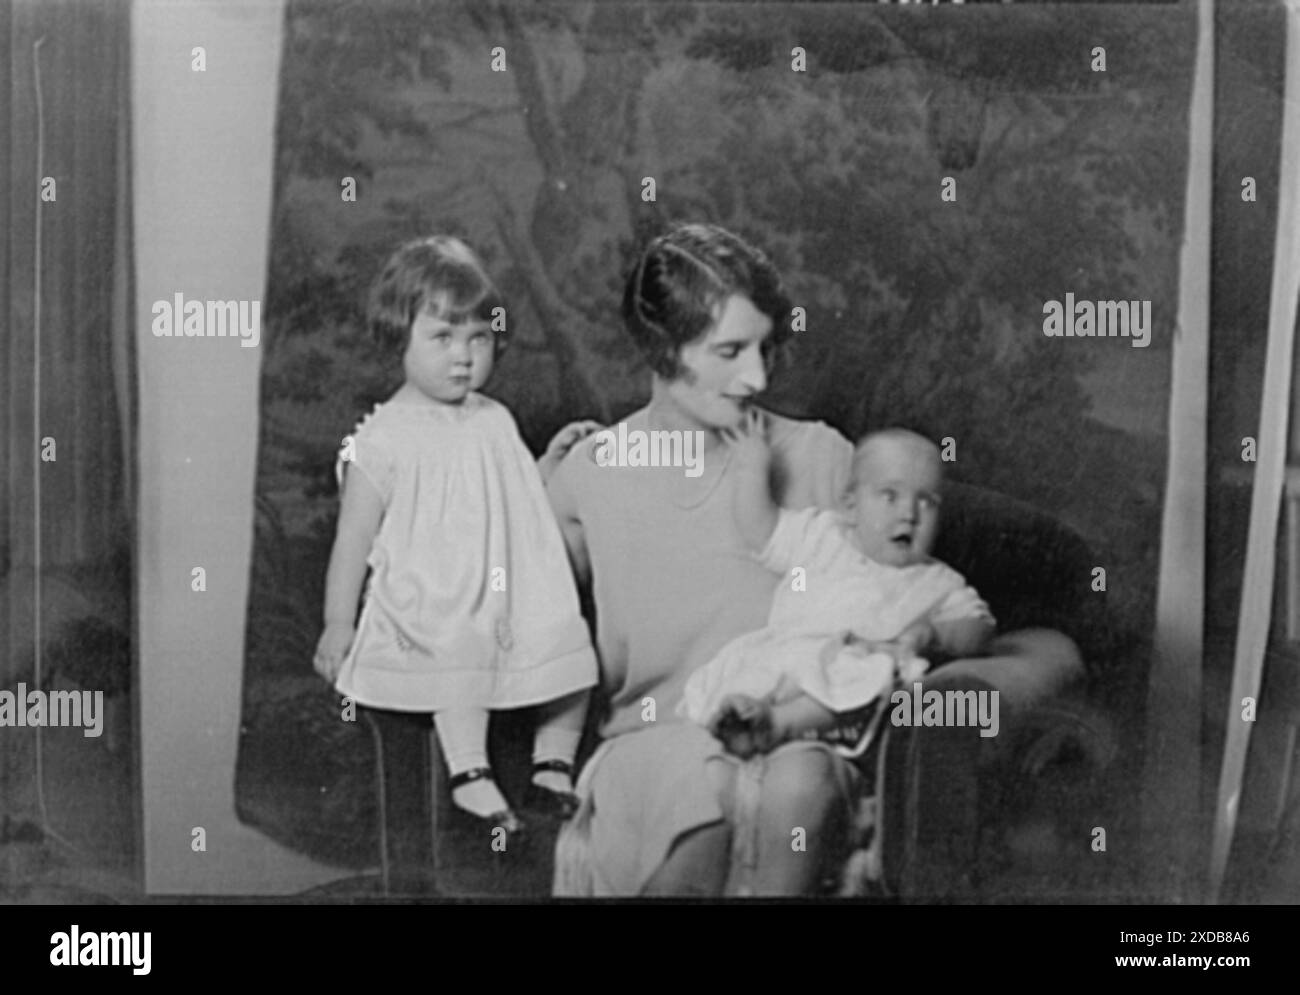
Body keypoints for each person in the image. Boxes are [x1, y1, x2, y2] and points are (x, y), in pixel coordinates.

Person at [547, 222, 870, 895]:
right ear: (663, 349)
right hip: (652, 742)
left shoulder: (819, 456)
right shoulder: (591, 471)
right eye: (729, 351)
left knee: (796, 785)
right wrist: (524, 488)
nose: (755, 376)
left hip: (795, 746)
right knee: (694, 782)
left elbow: (902, 606)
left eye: (764, 348)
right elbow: (516, 618)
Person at [312, 235, 599, 837]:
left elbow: (514, 495)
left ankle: (552, 768)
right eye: (442, 339)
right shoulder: (381, 441)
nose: (464, 357)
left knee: (569, 647)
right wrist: (339, 621)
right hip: (434, 593)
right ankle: (470, 773)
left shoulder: (494, 418)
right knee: (457, 647)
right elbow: (352, 542)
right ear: (400, 337)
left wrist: (550, 462)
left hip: (502, 588)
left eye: (479, 339)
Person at [680, 424, 995, 760]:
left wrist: (933, 635)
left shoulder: (937, 581)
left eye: (927, 502)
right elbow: (760, 529)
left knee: (872, 678)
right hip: (790, 652)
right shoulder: (821, 536)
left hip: (856, 672)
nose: (909, 514)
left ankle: (777, 723)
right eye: (890, 495)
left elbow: (979, 627)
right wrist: (752, 466)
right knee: (745, 674)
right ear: (851, 504)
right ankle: (741, 717)